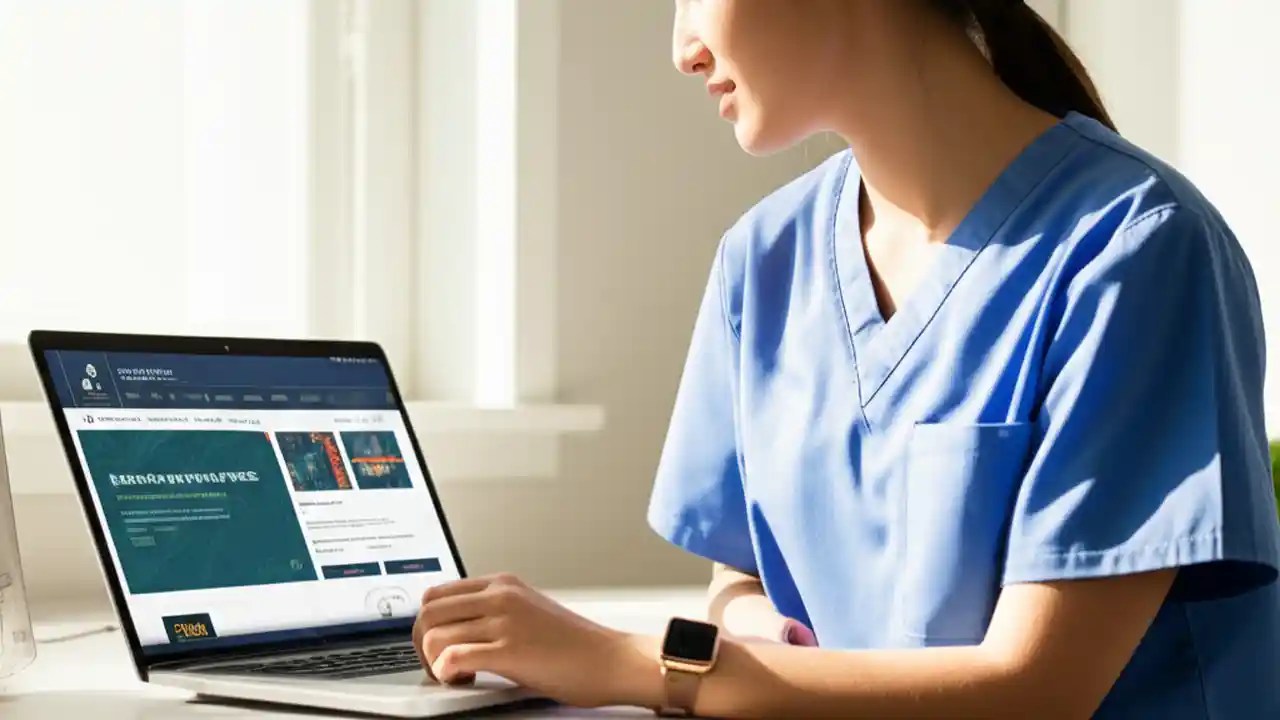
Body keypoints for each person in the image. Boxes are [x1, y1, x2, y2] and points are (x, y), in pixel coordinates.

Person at [412, 1, 1280, 717]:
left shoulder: (1137, 250)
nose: (680, 48)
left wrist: (635, 662)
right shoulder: (763, 258)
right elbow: (742, 572)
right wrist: (760, 636)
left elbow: (1038, 689)